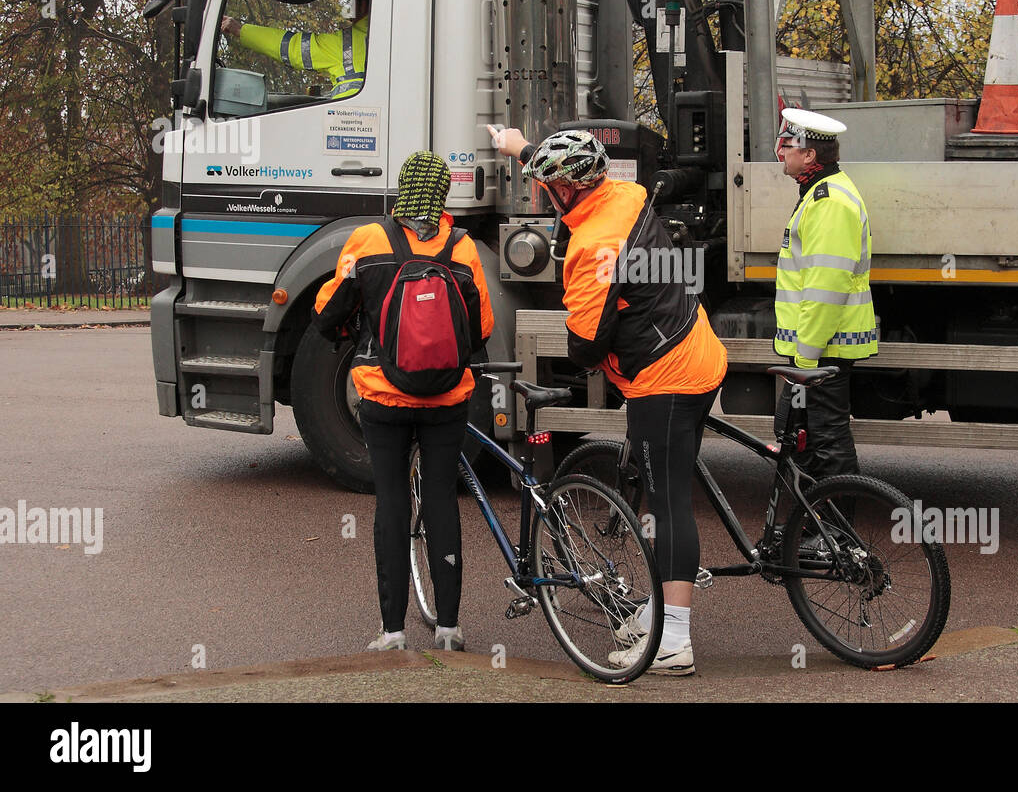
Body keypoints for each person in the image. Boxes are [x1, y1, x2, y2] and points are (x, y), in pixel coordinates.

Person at [489, 125, 727, 676]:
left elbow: (584, 346)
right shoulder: (625, 192)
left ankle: (675, 642)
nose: (537, 194)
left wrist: (600, 311)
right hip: (697, 350)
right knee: (658, 491)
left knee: (667, 504)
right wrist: (518, 145)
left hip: (663, 380)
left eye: (542, 185)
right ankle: (661, 611)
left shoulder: (595, 245)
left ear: (566, 191)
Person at [313, 151, 493, 652]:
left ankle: (392, 631)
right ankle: (450, 627)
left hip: (382, 397)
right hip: (447, 399)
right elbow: (481, 331)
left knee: (391, 501)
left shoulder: (368, 240)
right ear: (441, 196)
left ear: (401, 189)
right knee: (440, 501)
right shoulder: (462, 248)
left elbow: (326, 313)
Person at [772, 108, 877, 482]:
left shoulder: (828, 202)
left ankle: (837, 535)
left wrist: (805, 358)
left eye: (787, 144)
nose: (780, 151)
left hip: (822, 352)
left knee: (826, 439)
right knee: (805, 438)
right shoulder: (819, 193)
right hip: (819, 350)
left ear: (809, 155)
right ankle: (814, 527)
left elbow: (824, 290)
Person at [221, 0, 370, 99]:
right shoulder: (391, 36)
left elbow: (292, 48)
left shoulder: (347, 43)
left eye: (350, 7)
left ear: (362, 5)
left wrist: (240, 30)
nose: (349, 17)